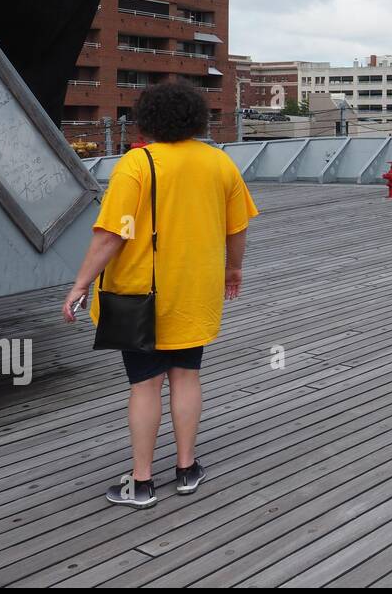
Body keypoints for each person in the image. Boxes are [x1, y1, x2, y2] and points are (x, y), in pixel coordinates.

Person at [61, 82, 258, 508]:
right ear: (196, 118)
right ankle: (187, 469)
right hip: (194, 290)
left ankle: (142, 481)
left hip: (137, 294)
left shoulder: (137, 164)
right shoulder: (218, 163)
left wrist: (80, 284)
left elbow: (112, 235)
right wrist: (234, 267)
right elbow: (237, 226)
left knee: (144, 386)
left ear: (147, 120)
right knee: (186, 376)